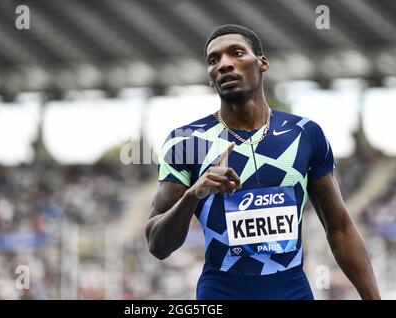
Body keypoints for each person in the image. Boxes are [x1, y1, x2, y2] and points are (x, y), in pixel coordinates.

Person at [145, 24, 380, 300]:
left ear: (262, 62)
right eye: (214, 60)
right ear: (210, 77)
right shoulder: (186, 142)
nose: (224, 65)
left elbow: (339, 228)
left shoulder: (305, 134)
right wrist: (194, 194)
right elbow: (158, 245)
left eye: (236, 53)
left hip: (292, 292)